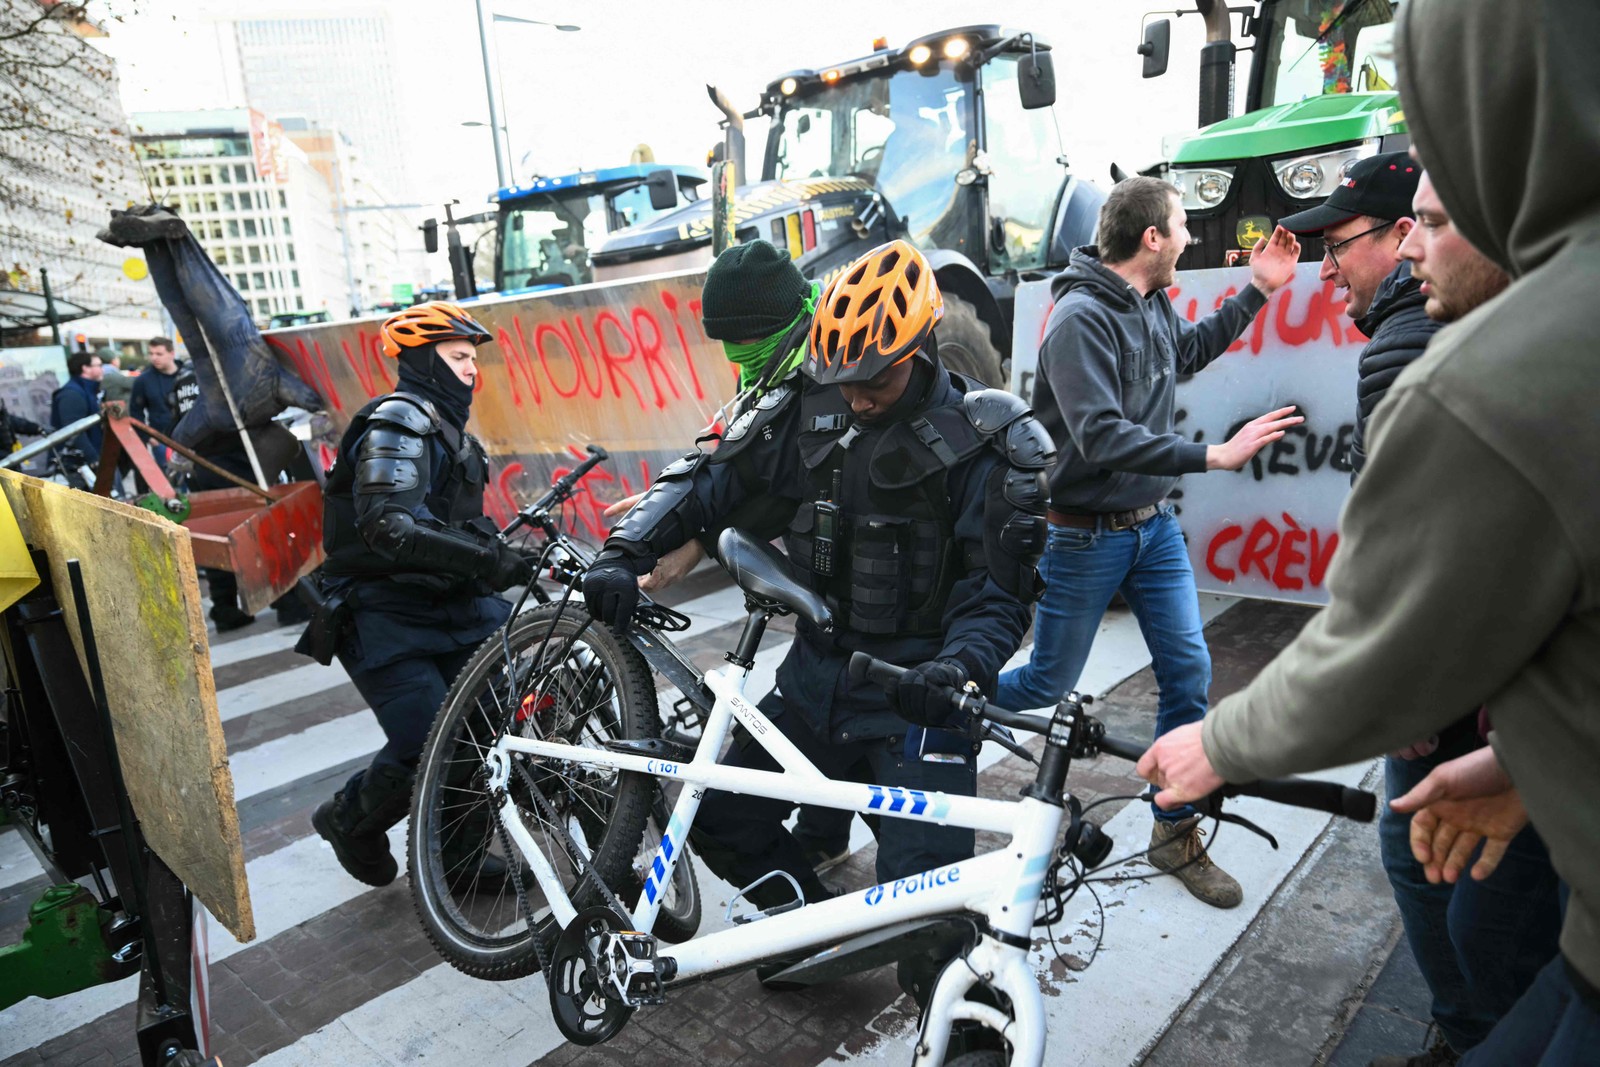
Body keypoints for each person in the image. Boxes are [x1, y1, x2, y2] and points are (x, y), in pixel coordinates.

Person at [1137, 0, 1600, 1062]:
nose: (1406, 254)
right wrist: (1534, 765)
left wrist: (1221, 741)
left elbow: (1390, 637)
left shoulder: (1484, 372)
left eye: (1431, 221)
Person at [583, 239, 1051, 1005]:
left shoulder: (987, 441)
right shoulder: (811, 406)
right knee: (719, 812)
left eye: (878, 376)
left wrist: (959, 669)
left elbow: (998, 596)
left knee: (933, 935)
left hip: (918, 700)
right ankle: (809, 927)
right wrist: (626, 549)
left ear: (922, 343)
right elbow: (709, 478)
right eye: (844, 379)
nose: (860, 396)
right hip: (813, 682)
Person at [993, 176, 1302, 909]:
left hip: (1153, 527)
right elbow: (1098, 437)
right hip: (1084, 536)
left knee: (1188, 667)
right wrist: (1210, 456)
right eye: (1183, 225)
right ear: (1152, 238)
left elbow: (1186, 352)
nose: (1192, 236)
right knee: (1043, 682)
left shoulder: (1150, 300)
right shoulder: (1079, 319)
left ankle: (1173, 826)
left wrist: (1258, 290)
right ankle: (927, 710)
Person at [602, 240, 857, 872]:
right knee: (746, 797)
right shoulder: (775, 364)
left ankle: (831, 823)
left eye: (743, 343)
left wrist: (697, 534)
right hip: (825, 632)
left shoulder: (842, 374)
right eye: (726, 346)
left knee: (928, 870)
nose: (736, 361)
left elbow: (787, 481)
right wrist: (661, 526)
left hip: (898, 637)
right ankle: (822, 845)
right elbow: (728, 464)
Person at [303, 302, 532, 887]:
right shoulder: (398, 420)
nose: (471, 371)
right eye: (458, 358)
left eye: (473, 360)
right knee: (427, 743)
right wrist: (490, 561)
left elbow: (447, 526)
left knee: (484, 731)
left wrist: (504, 556)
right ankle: (348, 820)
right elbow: (390, 525)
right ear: (424, 360)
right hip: (382, 613)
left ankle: (458, 861)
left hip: (447, 604)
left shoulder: (450, 429)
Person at [1279, 151, 1433, 479]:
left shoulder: (1399, 350)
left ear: (1403, 236)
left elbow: (1391, 511)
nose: (1324, 272)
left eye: (1337, 247)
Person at [49, 351, 104, 465]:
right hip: (80, 464)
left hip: (94, 457)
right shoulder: (72, 394)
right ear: (85, 368)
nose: (101, 369)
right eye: (98, 365)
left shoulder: (88, 390)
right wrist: (94, 459)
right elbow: (74, 430)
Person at [128, 337, 186, 437]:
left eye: (159, 354)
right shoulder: (143, 380)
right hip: (160, 438)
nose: (154, 358)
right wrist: (147, 437)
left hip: (191, 434)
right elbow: (136, 411)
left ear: (171, 354)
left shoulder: (188, 374)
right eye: (151, 354)